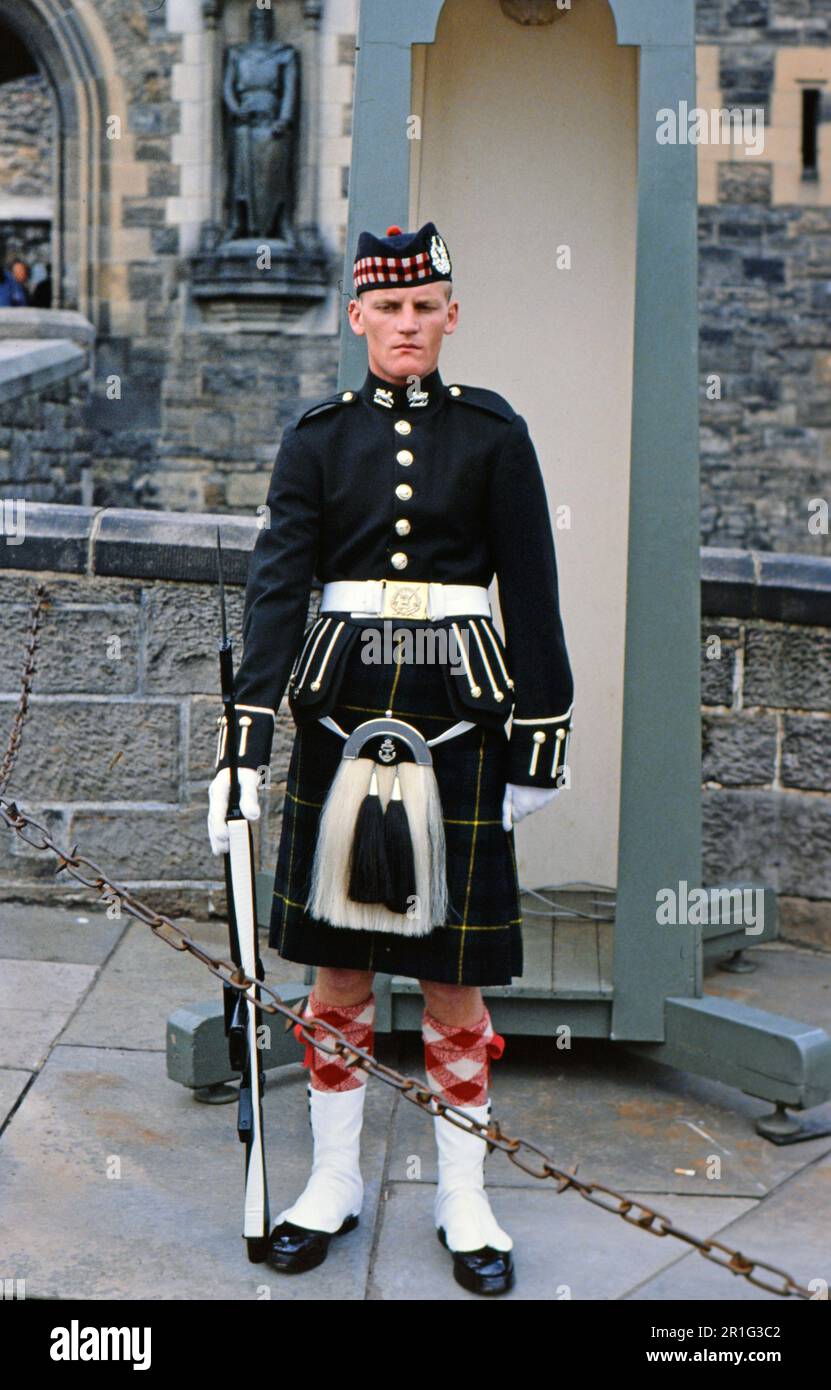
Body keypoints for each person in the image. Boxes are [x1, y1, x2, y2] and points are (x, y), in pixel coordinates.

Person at [207, 221, 574, 1296]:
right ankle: (332, 1184)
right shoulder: (318, 438)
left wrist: (538, 737)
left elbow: (533, 593)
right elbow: (278, 587)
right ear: (357, 315)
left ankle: (465, 1200)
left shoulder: (495, 434)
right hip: (342, 717)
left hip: (462, 722)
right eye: (390, 309)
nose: (408, 326)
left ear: (450, 316)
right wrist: (247, 738)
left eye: (426, 309)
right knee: (337, 974)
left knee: (456, 982)